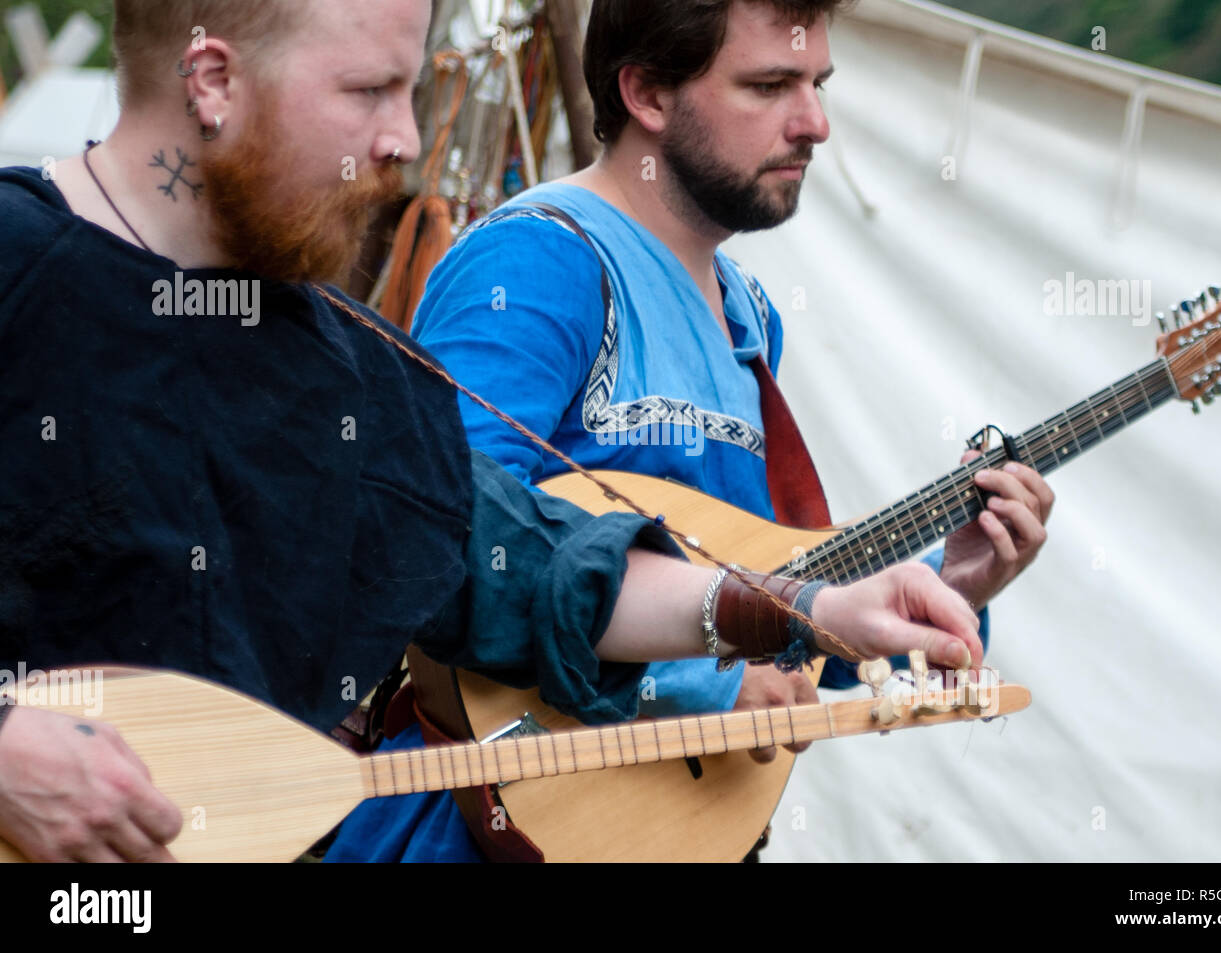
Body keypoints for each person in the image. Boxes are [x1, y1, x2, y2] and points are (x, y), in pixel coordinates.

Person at [0, 0, 986, 863]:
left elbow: (528, 562)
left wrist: (804, 605)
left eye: (411, 91)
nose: (401, 138)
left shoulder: (352, 372)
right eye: (369, 92)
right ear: (213, 81)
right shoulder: (16, 266)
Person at [327, 0, 1055, 861]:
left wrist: (949, 581)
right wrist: (695, 683)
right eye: (769, 85)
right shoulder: (535, 262)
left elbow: (771, 599)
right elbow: (442, 551)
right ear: (647, 94)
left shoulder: (750, 318)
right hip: (494, 830)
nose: (814, 122)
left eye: (817, 84)